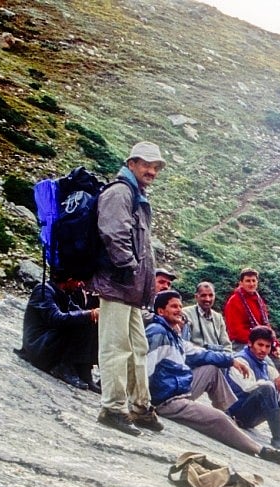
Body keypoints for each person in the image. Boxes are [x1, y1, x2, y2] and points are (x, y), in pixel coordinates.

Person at [146, 291, 280, 464]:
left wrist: (230, 360)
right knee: (217, 419)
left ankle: (228, 415)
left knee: (211, 368)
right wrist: (143, 406)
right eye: (174, 306)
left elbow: (202, 354)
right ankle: (261, 451)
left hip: (177, 388)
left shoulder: (174, 336)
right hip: (165, 400)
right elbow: (144, 368)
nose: (180, 310)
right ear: (161, 311)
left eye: (180, 306)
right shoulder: (157, 333)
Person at [90, 141, 165, 436]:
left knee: (138, 348)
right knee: (115, 348)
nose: (152, 171)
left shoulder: (136, 195)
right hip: (118, 284)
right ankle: (112, 408)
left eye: (156, 167)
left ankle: (140, 406)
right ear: (131, 163)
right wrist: (129, 267)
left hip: (130, 289)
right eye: (147, 164)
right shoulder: (120, 192)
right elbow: (113, 233)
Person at [19, 271, 99, 391]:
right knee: (78, 321)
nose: (79, 284)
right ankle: (63, 366)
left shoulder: (64, 293)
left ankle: (84, 371)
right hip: (38, 346)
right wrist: (89, 314)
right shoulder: (43, 291)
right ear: (69, 279)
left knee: (87, 320)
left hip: (48, 344)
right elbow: (56, 318)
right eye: (77, 281)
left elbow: (76, 311)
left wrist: (91, 315)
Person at [223, 268, 275, 351]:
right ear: (241, 283)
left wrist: (275, 343)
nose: (251, 284)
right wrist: (259, 341)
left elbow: (266, 326)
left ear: (257, 282)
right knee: (268, 363)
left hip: (261, 342)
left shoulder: (259, 301)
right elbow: (236, 332)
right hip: (241, 344)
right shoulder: (234, 301)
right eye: (248, 281)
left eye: (253, 281)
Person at [183, 281, 232, 352]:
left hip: (219, 358)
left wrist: (228, 358)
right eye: (203, 295)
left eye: (211, 295)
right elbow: (185, 344)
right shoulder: (186, 314)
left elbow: (226, 345)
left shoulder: (218, 317)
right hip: (197, 358)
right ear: (196, 297)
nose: (207, 299)